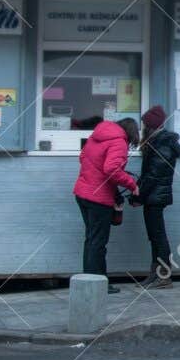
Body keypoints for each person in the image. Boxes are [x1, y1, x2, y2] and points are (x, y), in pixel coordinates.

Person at [72, 116, 139, 294]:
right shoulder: (119, 142)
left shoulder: (96, 136)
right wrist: (132, 185)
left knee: (91, 239)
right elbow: (112, 169)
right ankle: (97, 282)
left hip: (82, 193)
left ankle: (89, 279)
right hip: (98, 199)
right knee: (98, 241)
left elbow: (82, 157)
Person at [132, 105, 180, 289]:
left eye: (145, 125)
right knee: (154, 236)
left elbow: (152, 176)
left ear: (151, 126)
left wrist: (138, 196)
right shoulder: (160, 142)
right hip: (153, 195)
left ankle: (163, 275)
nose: (143, 129)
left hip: (155, 197)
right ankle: (156, 274)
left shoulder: (162, 144)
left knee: (158, 236)